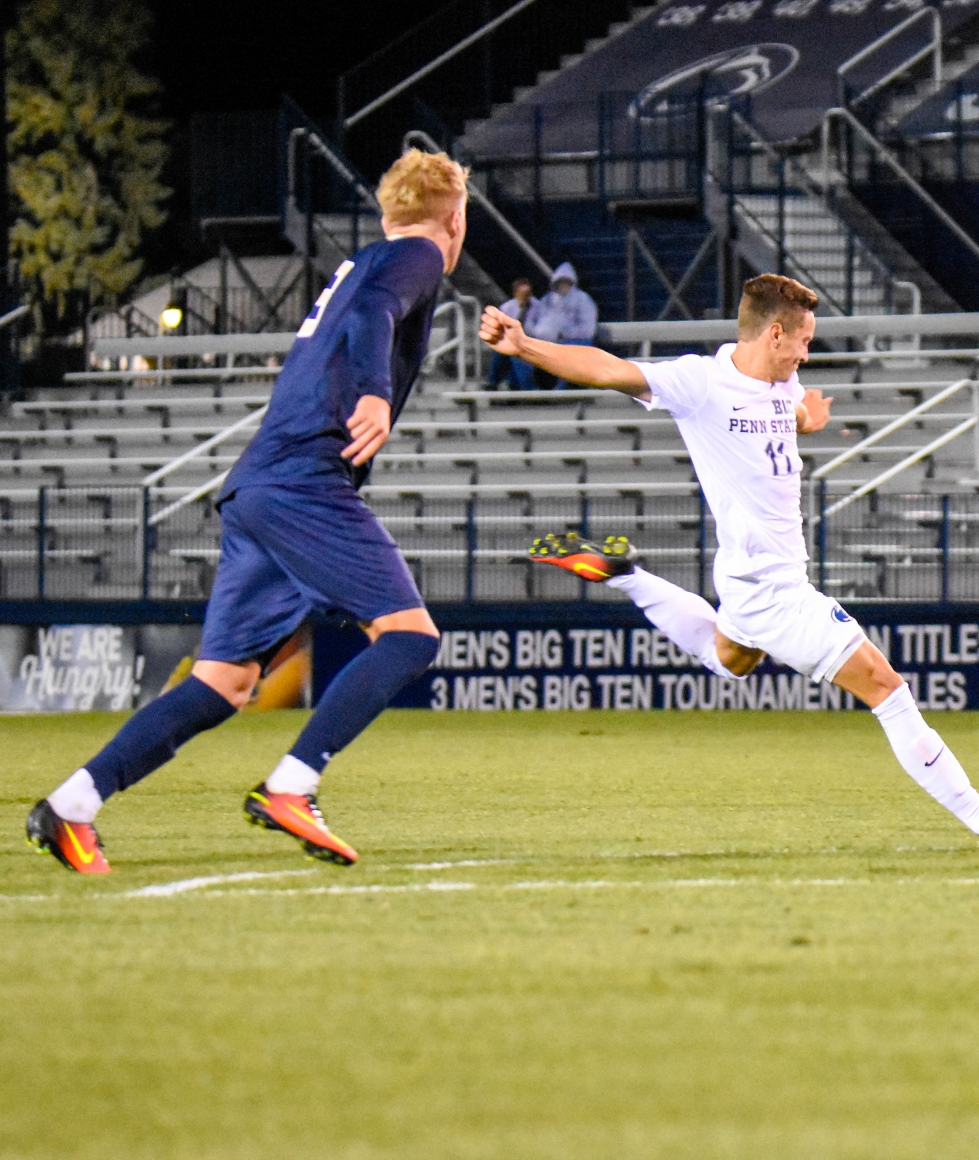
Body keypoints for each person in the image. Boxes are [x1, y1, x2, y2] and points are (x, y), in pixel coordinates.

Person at [478, 273, 979, 838]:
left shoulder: (783, 386)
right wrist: (523, 344)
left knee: (731, 659)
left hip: (741, 575)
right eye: (803, 340)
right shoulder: (700, 383)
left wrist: (810, 418)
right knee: (886, 686)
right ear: (774, 335)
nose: (807, 353)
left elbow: (791, 414)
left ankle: (624, 574)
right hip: (773, 588)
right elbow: (608, 368)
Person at [24, 148, 466, 874]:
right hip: (304, 481)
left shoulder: (367, 258)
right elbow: (374, 319)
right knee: (410, 637)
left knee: (221, 683)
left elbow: (363, 311)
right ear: (456, 217)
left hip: (260, 485)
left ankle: (72, 803)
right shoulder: (418, 253)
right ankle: (293, 785)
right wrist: (374, 392)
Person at [526, 261, 598, 347]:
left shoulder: (583, 299)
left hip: (576, 344)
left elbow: (588, 329)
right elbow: (540, 320)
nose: (563, 285)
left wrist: (566, 333)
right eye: (560, 282)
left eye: (566, 282)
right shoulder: (548, 299)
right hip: (549, 344)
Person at [488, 278, 541, 391]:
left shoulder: (538, 307)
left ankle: (517, 384)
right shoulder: (507, 307)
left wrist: (525, 311)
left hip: (531, 341)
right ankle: (493, 382)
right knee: (500, 352)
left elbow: (540, 330)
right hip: (511, 340)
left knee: (517, 357)